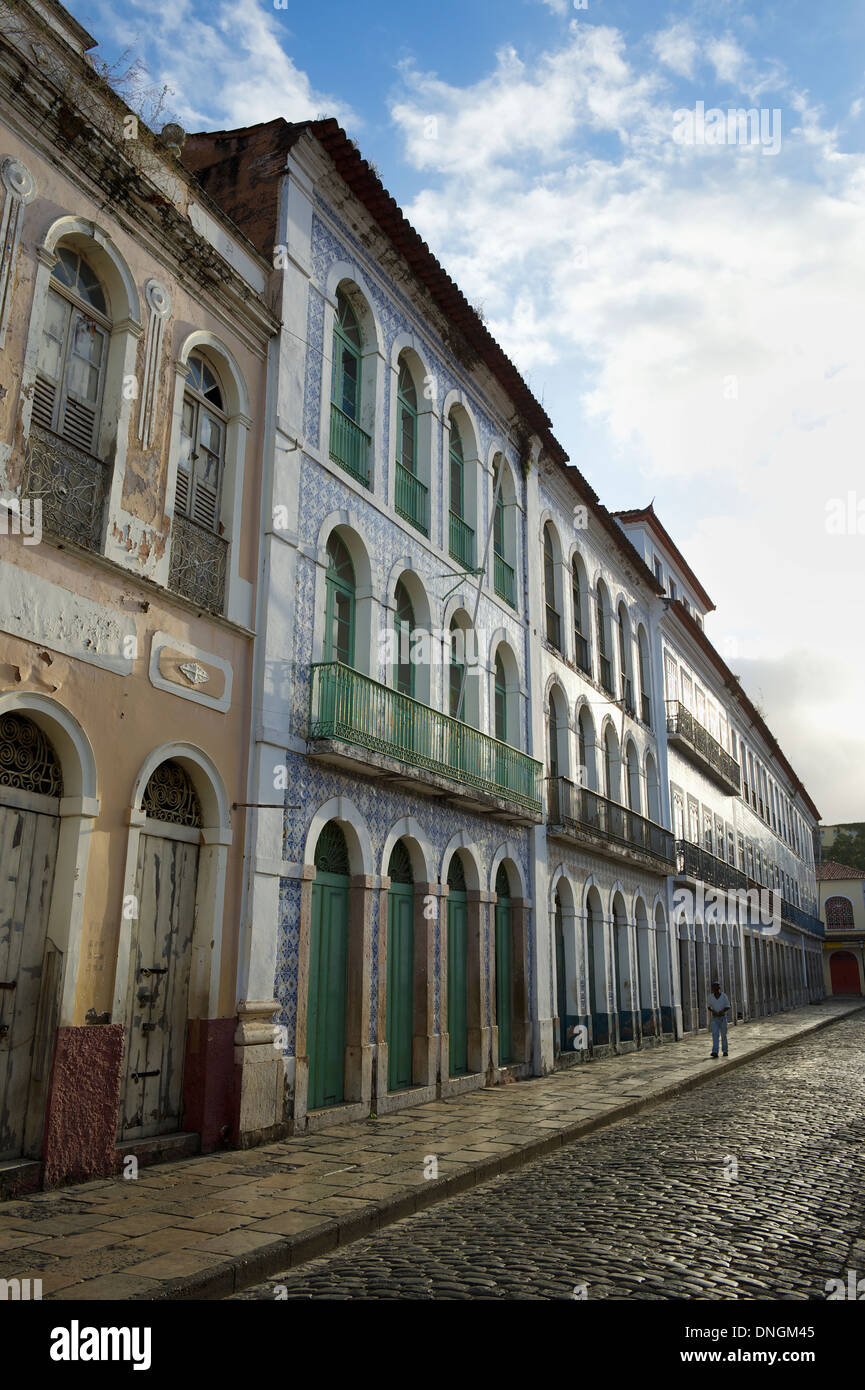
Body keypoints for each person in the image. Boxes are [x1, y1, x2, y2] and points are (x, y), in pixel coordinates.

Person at [708, 979, 730, 1058]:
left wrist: (722, 1011)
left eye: (716, 987)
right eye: (713, 987)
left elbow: (728, 1006)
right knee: (715, 1034)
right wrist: (712, 1011)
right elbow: (709, 1006)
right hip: (715, 1018)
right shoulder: (711, 997)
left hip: (722, 1018)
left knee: (724, 1035)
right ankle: (715, 1051)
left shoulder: (724, 996)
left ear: (719, 987)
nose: (715, 988)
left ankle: (725, 1051)